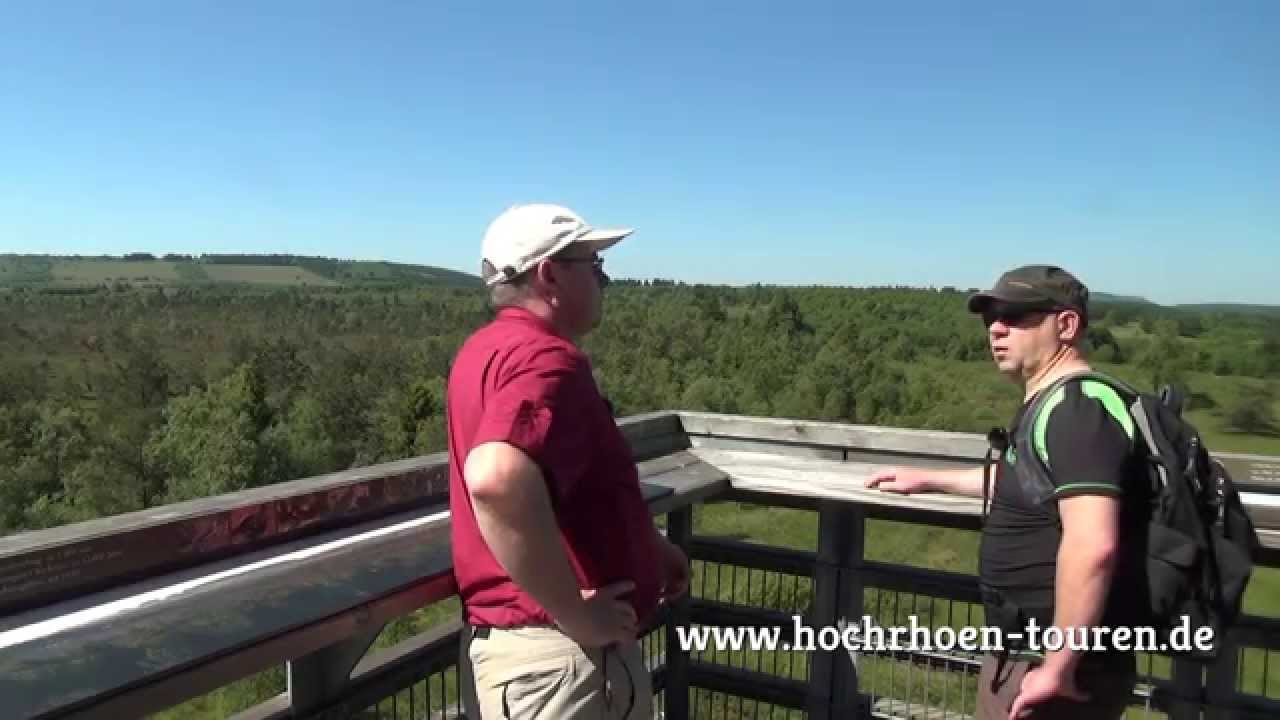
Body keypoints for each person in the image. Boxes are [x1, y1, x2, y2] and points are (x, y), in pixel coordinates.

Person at [866, 265, 1145, 719]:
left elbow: (1093, 545)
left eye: (1014, 316)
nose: (996, 328)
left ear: (1066, 325)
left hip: (1054, 663)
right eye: (990, 318)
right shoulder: (1052, 403)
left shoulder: (1077, 410)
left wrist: (1057, 667)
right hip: (1026, 650)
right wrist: (930, 479)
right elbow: (1029, 484)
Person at [447, 203, 690, 719]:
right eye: (593, 265)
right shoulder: (548, 360)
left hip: (534, 659)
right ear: (550, 274)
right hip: (562, 664)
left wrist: (650, 549)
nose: (605, 279)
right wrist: (577, 615)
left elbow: (560, 490)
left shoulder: (484, 352)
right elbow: (496, 478)